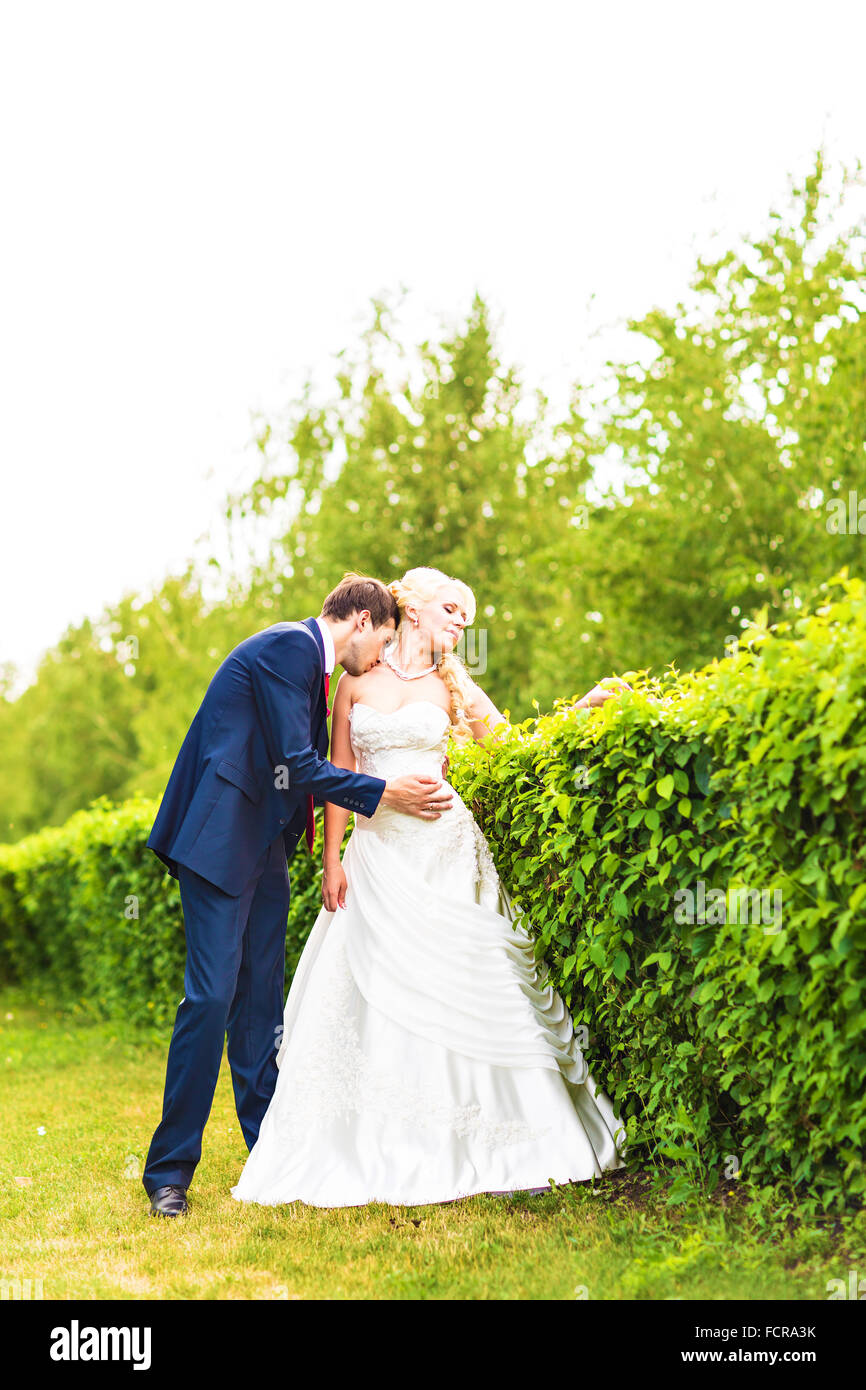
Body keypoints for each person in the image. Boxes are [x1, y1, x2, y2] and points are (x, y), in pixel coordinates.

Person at [231, 566, 630, 1209]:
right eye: (452, 608)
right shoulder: (354, 681)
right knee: (373, 992)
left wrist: (580, 710)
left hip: (446, 854)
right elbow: (338, 771)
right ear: (412, 607)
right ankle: (371, 1136)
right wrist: (332, 858)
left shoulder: (455, 685)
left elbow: (514, 747)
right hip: (378, 854)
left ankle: (485, 1134)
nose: (460, 623)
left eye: (467, 617)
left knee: (459, 982)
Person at [142, 572, 454, 1216]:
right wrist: (382, 794)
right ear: (362, 624)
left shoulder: (312, 671)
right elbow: (301, 761)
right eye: (385, 638)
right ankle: (169, 1171)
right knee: (209, 998)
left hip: (265, 850)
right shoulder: (288, 648)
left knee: (261, 1005)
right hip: (218, 845)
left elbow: (293, 768)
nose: (382, 657)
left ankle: (267, 1149)